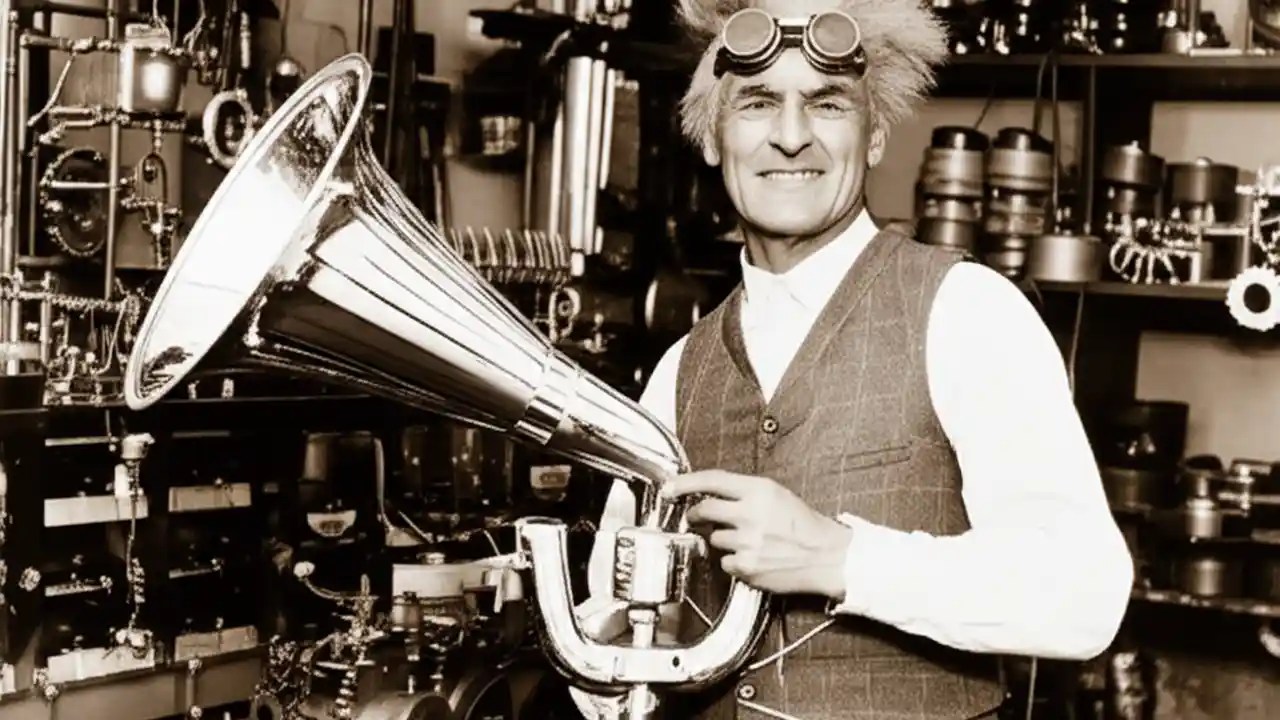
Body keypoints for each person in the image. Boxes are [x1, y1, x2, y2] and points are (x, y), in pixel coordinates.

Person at [571, 1, 1135, 718]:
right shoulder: (680, 369)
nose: (791, 136)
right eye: (758, 102)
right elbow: (619, 618)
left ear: (874, 137)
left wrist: (840, 558)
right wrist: (605, 655)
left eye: (827, 103)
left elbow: (1086, 595)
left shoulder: (967, 312)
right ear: (714, 138)